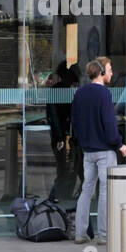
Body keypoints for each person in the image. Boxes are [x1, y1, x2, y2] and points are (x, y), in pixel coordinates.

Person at [70, 56, 126, 245]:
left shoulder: (80, 93)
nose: (112, 73)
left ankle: (80, 233)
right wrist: (119, 144)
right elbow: (109, 124)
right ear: (101, 72)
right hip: (105, 151)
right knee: (105, 192)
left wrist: (83, 142)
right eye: (110, 69)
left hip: (88, 151)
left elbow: (75, 123)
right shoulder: (104, 94)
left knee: (86, 190)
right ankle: (104, 235)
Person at [44, 62, 79, 202]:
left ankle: (61, 194)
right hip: (61, 134)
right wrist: (59, 136)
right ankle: (56, 195)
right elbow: (54, 116)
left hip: (62, 134)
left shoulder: (61, 90)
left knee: (66, 166)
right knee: (65, 167)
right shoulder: (62, 91)